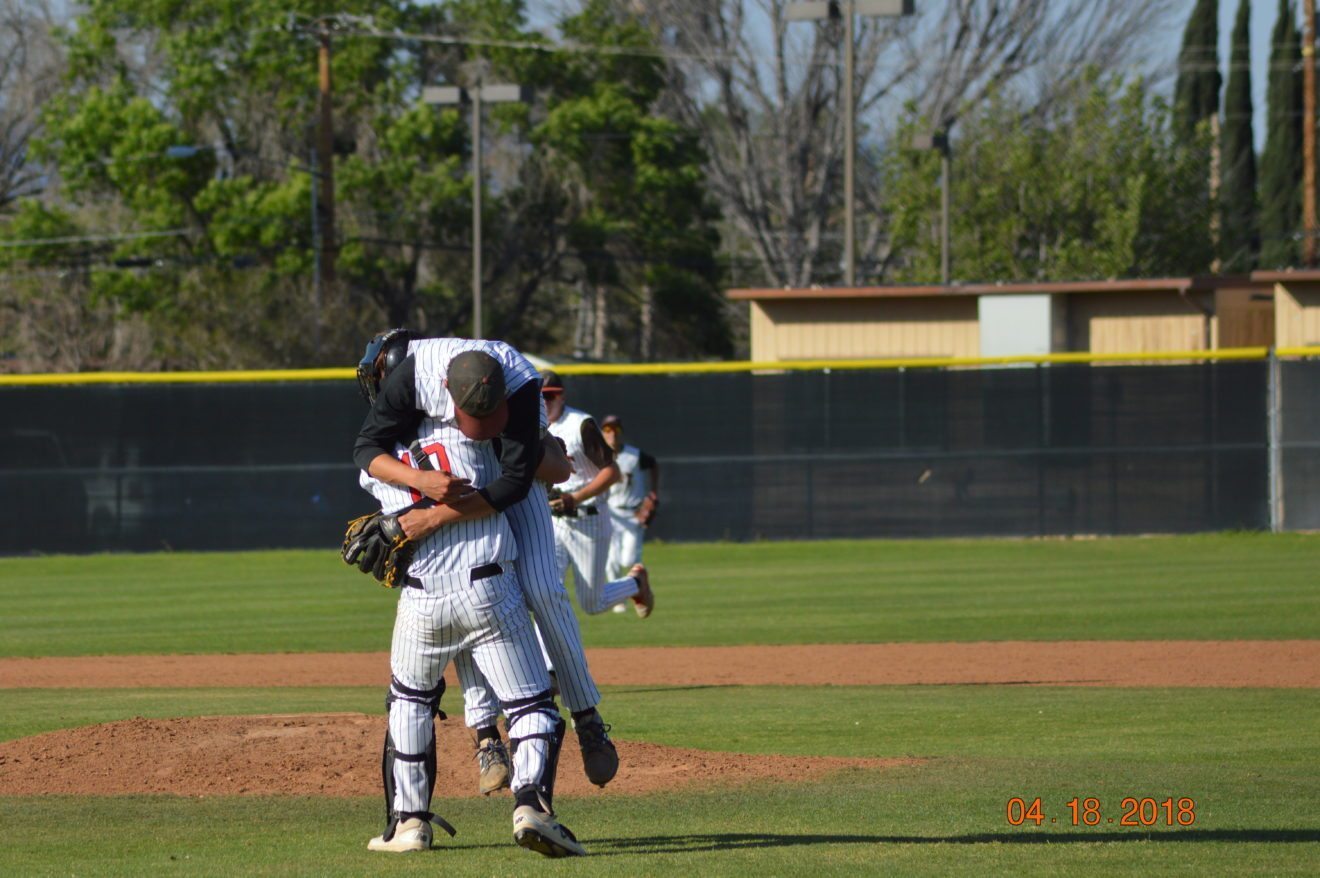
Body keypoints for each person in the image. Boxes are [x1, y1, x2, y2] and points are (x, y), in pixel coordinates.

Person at [354, 331, 619, 789]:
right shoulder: (413, 380)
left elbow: (522, 479)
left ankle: (586, 715)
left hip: (510, 483)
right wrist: (421, 485)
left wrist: (431, 518)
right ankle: (485, 734)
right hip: (462, 496)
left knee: (541, 588)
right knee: (465, 585)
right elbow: (366, 450)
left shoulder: (520, 386)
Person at [359, 392, 584, 856]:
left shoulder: (376, 463)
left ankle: (410, 824)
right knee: (532, 706)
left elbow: (378, 484)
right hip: (487, 585)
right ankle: (531, 808)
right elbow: (551, 468)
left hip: (420, 597)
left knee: (408, 702)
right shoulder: (479, 436)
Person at [541, 371, 655, 618]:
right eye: (540, 396)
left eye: (551, 396)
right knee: (545, 593)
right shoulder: (535, 426)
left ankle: (636, 583)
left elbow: (612, 472)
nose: (545, 401)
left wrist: (575, 498)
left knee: (593, 603)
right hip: (554, 522)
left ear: (562, 396)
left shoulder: (581, 424)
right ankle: (546, 657)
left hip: (589, 519)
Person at [599, 415, 660, 596]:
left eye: (616, 430)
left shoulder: (634, 455)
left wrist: (653, 492)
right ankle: (618, 600)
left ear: (622, 432)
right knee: (611, 561)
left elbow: (653, 464)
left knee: (628, 559)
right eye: (608, 430)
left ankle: (639, 585)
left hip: (633, 513)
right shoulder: (598, 456)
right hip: (610, 513)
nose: (612, 434)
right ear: (602, 433)